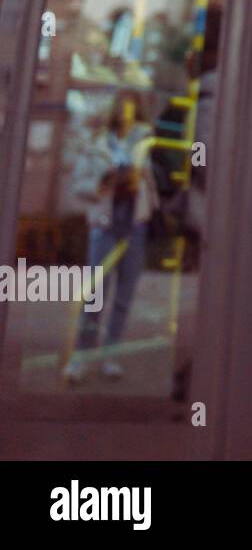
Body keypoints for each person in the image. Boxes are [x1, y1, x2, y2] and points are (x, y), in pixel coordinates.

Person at [63, 89, 158, 384]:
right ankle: (81, 356)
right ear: (114, 112)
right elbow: (78, 184)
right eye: (121, 109)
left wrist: (142, 179)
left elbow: (161, 181)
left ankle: (110, 356)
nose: (125, 115)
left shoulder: (146, 142)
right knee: (94, 296)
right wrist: (102, 185)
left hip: (135, 225)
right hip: (105, 224)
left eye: (131, 109)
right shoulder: (96, 144)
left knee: (123, 297)